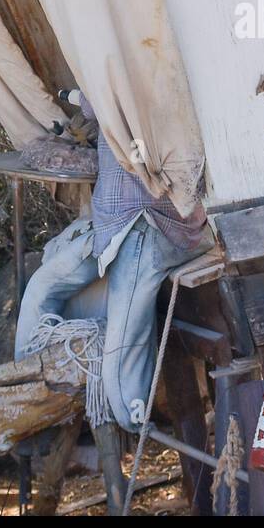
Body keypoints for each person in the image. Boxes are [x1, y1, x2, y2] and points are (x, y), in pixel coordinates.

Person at [14, 90, 209, 430]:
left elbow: (92, 100)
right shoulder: (114, 72)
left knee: (124, 340)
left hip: (151, 224)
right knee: (42, 285)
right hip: (108, 222)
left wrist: (74, 94)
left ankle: (131, 416)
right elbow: (93, 101)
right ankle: (27, 385)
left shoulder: (133, 77)